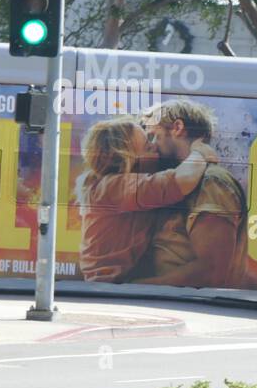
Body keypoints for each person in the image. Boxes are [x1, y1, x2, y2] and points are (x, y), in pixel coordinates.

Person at [76, 116, 218, 282]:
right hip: (110, 285)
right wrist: (199, 151)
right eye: (147, 146)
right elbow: (183, 179)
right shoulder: (114, 187)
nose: (155, 147)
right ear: (126, 159)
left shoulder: (109, 185)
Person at [133, 99, 248, 288]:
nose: (152, 146)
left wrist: (140, 286)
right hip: (176, 300)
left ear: (177, 128)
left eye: (155, 136)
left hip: (190, 303)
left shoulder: (211, 182)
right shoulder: (178, 180)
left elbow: (212, 270)